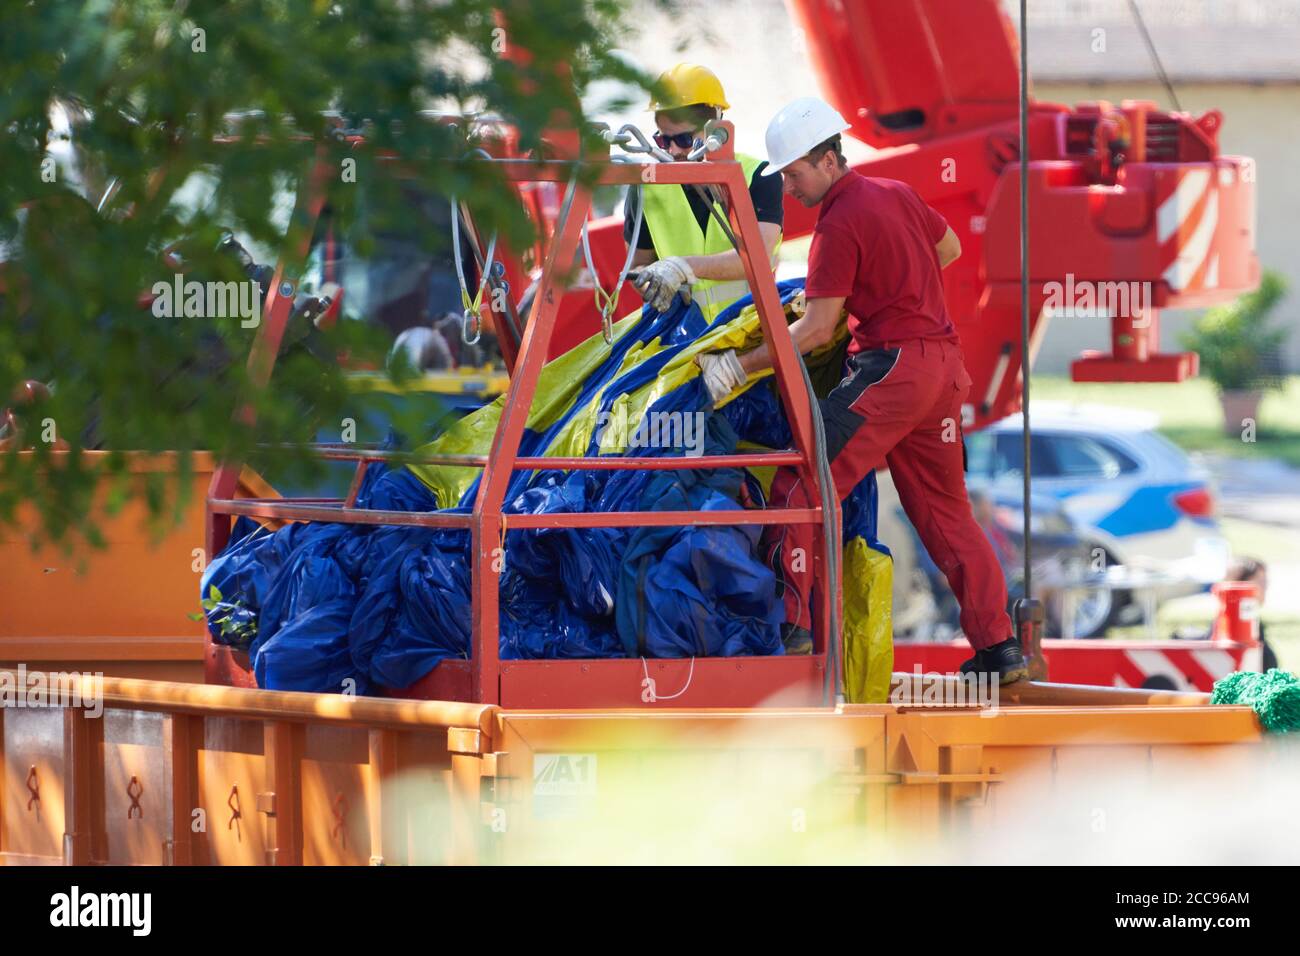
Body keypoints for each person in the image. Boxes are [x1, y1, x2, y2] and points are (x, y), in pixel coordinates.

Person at [695, 96, 1026, 684]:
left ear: (827, 160)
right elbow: (947, 250)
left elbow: (819, 327)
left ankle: (792, 635)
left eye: (794, 174)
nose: (790, 189)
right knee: (947, 514)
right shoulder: (896, 193)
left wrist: (738, 366)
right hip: (943, 372)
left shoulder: (839, 223)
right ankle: (1000, 650)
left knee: (803, 482)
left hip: (891, 372)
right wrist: (894, 284)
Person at [626, 64, 783, 320]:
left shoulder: (758, 176)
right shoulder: (647, 189)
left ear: (716, 128)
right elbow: (637, 267)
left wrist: (682, 267)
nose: (674, 151)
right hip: (683, 339)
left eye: (685, 140)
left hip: (752, 331)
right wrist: (653, 284)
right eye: (664, 140)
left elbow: (759, 256)